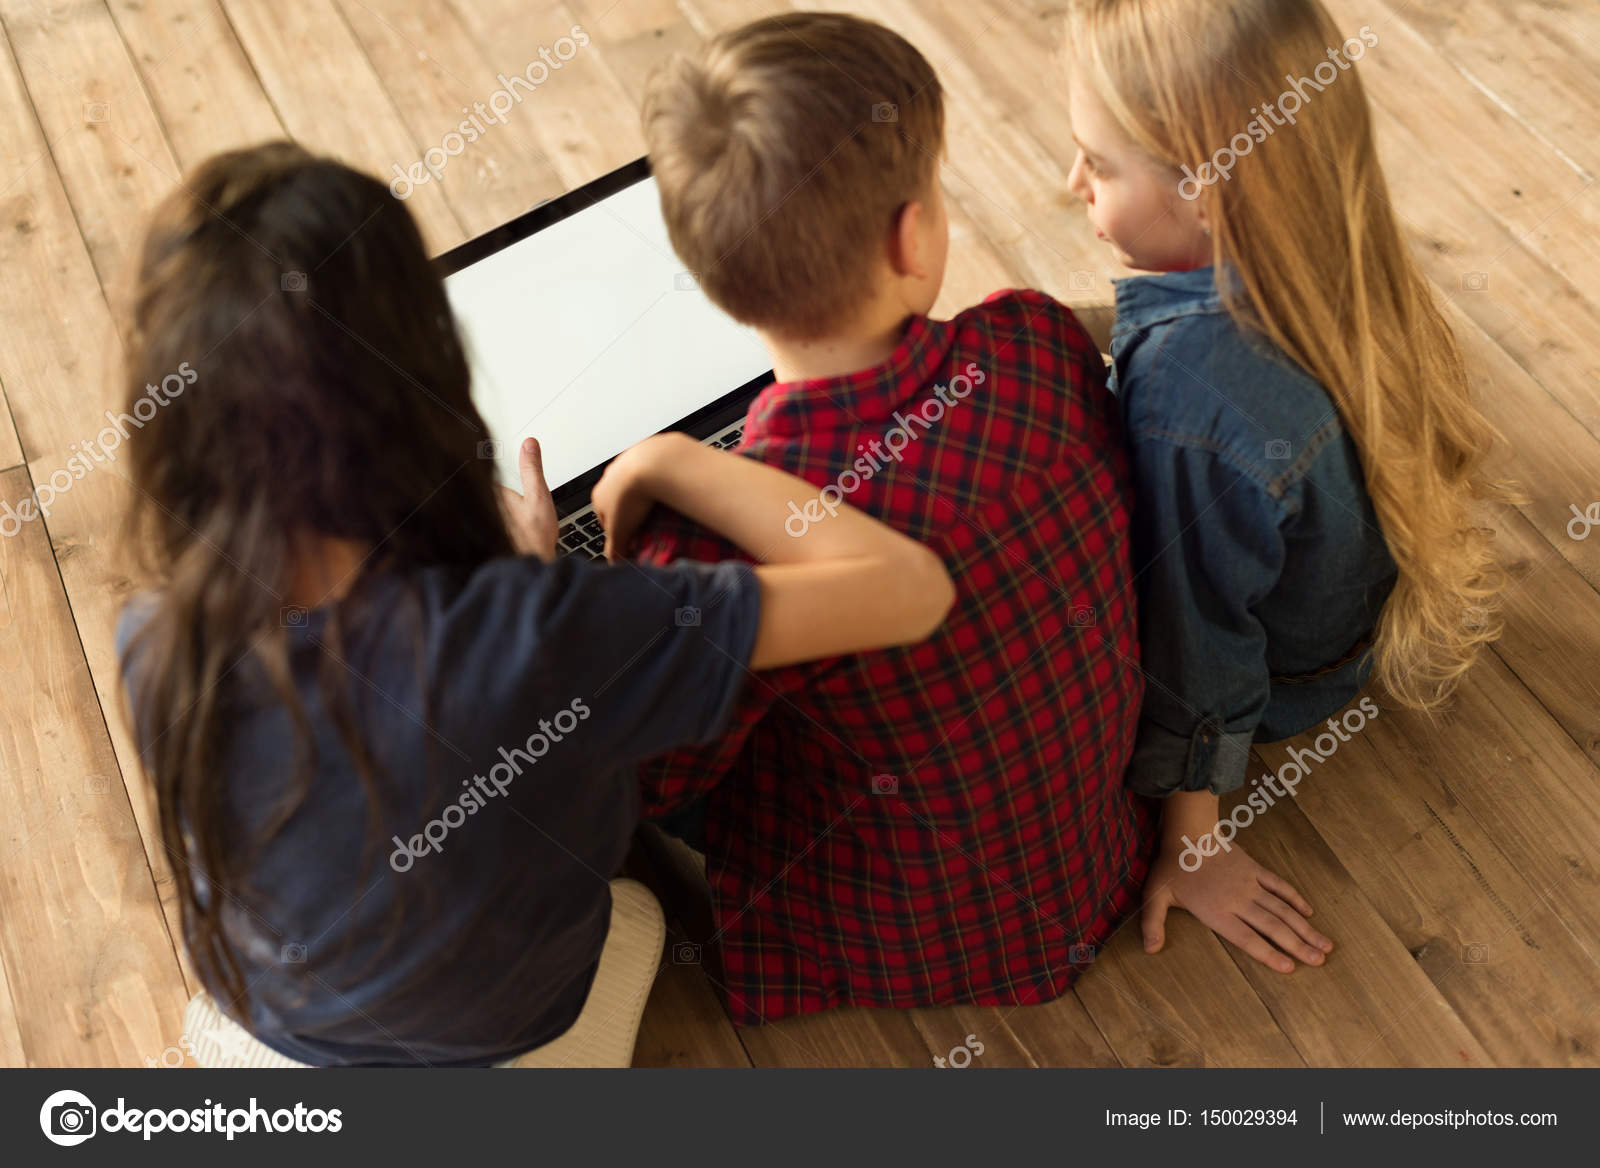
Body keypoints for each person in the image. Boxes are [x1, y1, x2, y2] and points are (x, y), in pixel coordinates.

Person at [114, 142, 953, 1066]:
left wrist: (514, 592)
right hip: (518, 1039)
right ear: (423, 371)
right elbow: (909, 592)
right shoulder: (545, 632)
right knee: (638, 904)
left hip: (287, 1025)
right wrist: (668, 466)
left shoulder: (154, 640)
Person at [628, 12, 1154, 1026]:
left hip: (899, 939)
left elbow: (646, 784)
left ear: (714, 284)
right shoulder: (1035, 345)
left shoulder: (707, 553)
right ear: (912, 236)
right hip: (1093, 861)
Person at [1063, 0, 1505, 972]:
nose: (1071, 184)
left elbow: (1196, 639)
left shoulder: (1191, 401)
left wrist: (1193, 841)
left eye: (1097, 163)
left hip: (1283, 685)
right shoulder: (1320, 235)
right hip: (1353, 605)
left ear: (1209, 194)